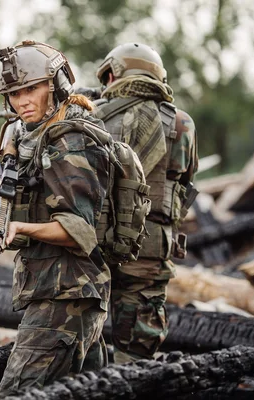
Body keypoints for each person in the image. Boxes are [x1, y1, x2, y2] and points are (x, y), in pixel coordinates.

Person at [0, 40, 112, 397]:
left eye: (31, 89)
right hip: (56, 289)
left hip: (68, 294)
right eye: (13, 93)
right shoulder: (30, 138)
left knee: (15, 393)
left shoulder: (69, 141)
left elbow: (79, 230)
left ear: (55, 86)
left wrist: (19, 227)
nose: (22, 101)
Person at [92, 43, 199, 364]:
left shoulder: (90, 116)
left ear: (112, 73)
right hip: (150, 245)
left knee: (82, 334)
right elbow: (186, 184)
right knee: (139, 345)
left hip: (91, 241)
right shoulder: (182, 123)